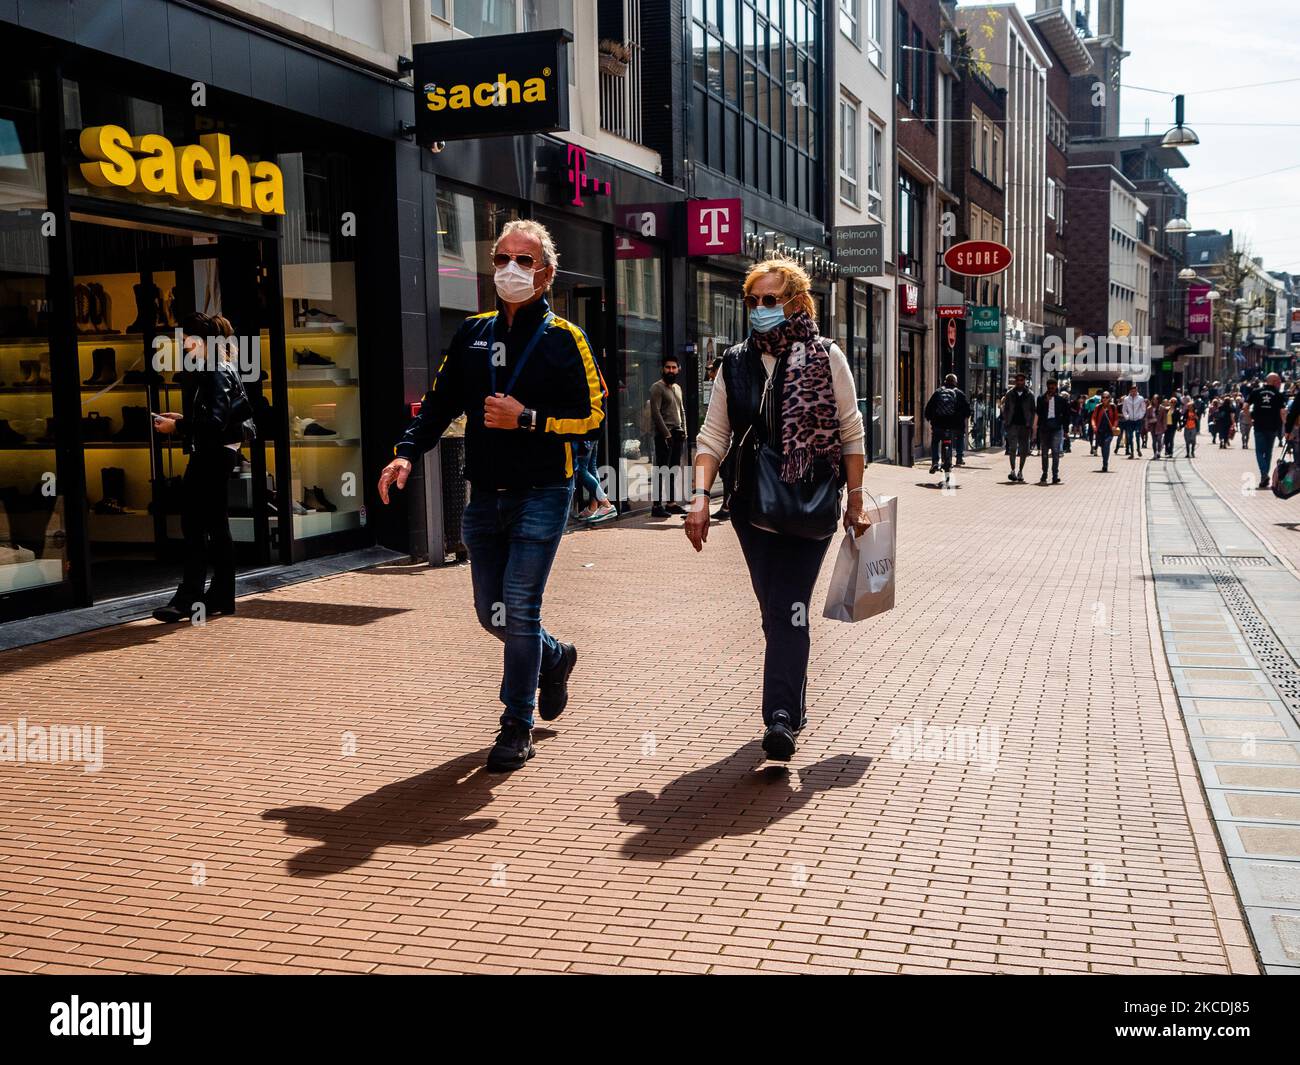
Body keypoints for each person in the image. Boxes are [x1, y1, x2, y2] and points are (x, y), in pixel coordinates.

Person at [377, 219, 604, 773]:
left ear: (545, 274)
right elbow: (439, 401)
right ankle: (555, 657)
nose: (510, 270)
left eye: (524, 262)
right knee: (492, 613)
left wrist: (527, 420)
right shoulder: (472, 333)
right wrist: (407, 450)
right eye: (503, 258)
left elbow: (593, 417)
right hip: (485, 496)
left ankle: (515, 724)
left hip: (543, 492)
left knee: (520, 609)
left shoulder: (565, 338)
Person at [684, 257, 869, 762]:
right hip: (752, 508)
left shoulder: (827, 356)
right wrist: (700, 496)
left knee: (789, 604)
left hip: (812, 504)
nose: (761, 309)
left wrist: (855, 499)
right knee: (777, 611)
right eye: (754, 301)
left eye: (772, 300)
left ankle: (780, 717)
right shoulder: (735, 361)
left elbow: (851, 432)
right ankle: (793, 700)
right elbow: (712, 436)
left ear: (797, 303)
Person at [151, 312, 252, 623]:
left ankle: (190, 596)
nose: (184, 346)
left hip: (211, 455)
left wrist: (177, 428)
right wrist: (182, 420)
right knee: (214, 526)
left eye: (187, 341)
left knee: (194, 526)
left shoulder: (214, 370)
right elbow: (217, 418)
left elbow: (214, 422)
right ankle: (219, 595)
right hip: (220, 453)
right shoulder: (223, 367)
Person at [650, 355, 687, 517]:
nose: (671, 370)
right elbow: (655, 413)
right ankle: (657, 506)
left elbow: (682, 410)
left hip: (678, 434)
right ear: (662, 369)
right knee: (661, 470)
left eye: (673, 367)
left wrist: (684, 430)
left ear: (678, 369)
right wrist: (666, 434)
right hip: (664, 436)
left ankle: (671, 503)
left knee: (673, 470)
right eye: (667, 367)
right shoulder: (657, 388)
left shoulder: (677, 388)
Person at [924, 374, 970, 474]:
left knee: (935, 441)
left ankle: (935, 462)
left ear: (945, 381)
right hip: (954, 425)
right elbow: (967, 410)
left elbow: (929, 407)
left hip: (938, 423)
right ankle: (959, 457)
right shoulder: (959, 393)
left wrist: (929, 418)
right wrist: (964, 417)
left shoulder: (938, 392)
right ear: (955, 382)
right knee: (960, 436)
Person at [1246, 373, 1285, 490]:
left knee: (1259, 452)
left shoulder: (1255, 392)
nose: (1279, 383)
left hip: (1259, 426)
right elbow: (1283, 412)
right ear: (1273, 381)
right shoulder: (1278, 395)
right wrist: (1286, 427)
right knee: (1268, 452)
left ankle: (1264, 475)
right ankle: (1264, 475)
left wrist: (1250, 420)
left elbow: (1245, 407)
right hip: (1272, 427)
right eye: (1278, 381)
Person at [1001, 373, 1035, 482]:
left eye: (1022, 380)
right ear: (1015, 381)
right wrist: (1007, 421)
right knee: (1013, 448)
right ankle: (1013, 470)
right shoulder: (1010, 394)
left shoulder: (1030, 394)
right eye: (1018, 380)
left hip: (1025, 426)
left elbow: (1033, 410)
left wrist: (1031, 424)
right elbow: (1005, 409)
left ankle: (1021, 471)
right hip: (1013, 425)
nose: (1020, 382)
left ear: (1024, 381)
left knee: (1024, 450)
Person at [1035, 377, 1067, 484]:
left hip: (1056, 429)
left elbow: (1066, 415)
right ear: (1047, 387)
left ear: (1056, 387)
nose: (1051, 390)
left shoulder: (1061, 400)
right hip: (1044, 428)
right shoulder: (1040, 398)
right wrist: (1045, 402)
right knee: (1044, 453)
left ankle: (1055, 475)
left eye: (1053, 388)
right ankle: (1044, 473)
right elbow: (1038, 412)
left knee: (1055, 452)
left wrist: (1066, 430)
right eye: (1049, 388)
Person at [1091, 391, 1119, 471]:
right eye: (1103, 397)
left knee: (1106, 445)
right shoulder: (1098, 407)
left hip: (1109, 430)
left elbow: (1116, 418)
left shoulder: (1113, 407)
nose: (1105, 399)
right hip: (1100, 431)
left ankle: (1105, 464)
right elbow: (1093, 418)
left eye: (1107, 397)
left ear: (1109, 398)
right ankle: (1104, 461)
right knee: (1103, 447)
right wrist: (1094, 426)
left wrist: (1114, 426)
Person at [1120, 385, 1146, 458]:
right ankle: (1132, 452)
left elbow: (1143, 408)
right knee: (1130, 436)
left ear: (1137, 391)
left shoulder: (1140, 398)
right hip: (1130, 420)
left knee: (1137, 434)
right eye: (1132, 391)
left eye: (1135, 391)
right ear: (1130, 391)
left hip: (1138, 420)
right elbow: (1124, 409)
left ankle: (1138, 449)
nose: (1134, 392)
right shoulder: (1126, 399)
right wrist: (1127, 417)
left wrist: (1140, 416)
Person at [1145, 394, 1163, 459]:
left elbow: (1164, 418)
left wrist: (1165, 426)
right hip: (1152, 425)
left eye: (1156, 399)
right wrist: (1146, 425)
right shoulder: (1149, 408)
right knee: (1154, 440)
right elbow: (1146, 418)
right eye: (1154, 399)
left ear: (1158, 400)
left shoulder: (1161, 408)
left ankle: (1159, 452)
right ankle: (1155, 453)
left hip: (1160, 426)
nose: (1155, 401)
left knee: (1159, 439)